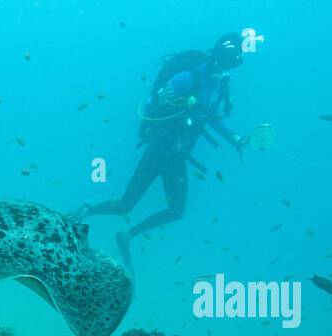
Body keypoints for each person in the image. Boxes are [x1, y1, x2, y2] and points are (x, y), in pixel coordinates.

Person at [72, 33, 248, 266]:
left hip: (178, 157)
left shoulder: (218, 84)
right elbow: (148, 105)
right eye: (227, 62)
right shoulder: (189, 77)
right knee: (126, 204)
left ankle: (126, 236)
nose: (228, 70)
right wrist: (159, 100)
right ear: (218, 57)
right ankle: (86, 211)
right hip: (159, 150)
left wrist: (235, 138)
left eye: (233, 64)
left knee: (177, 211)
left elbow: (212, 117)